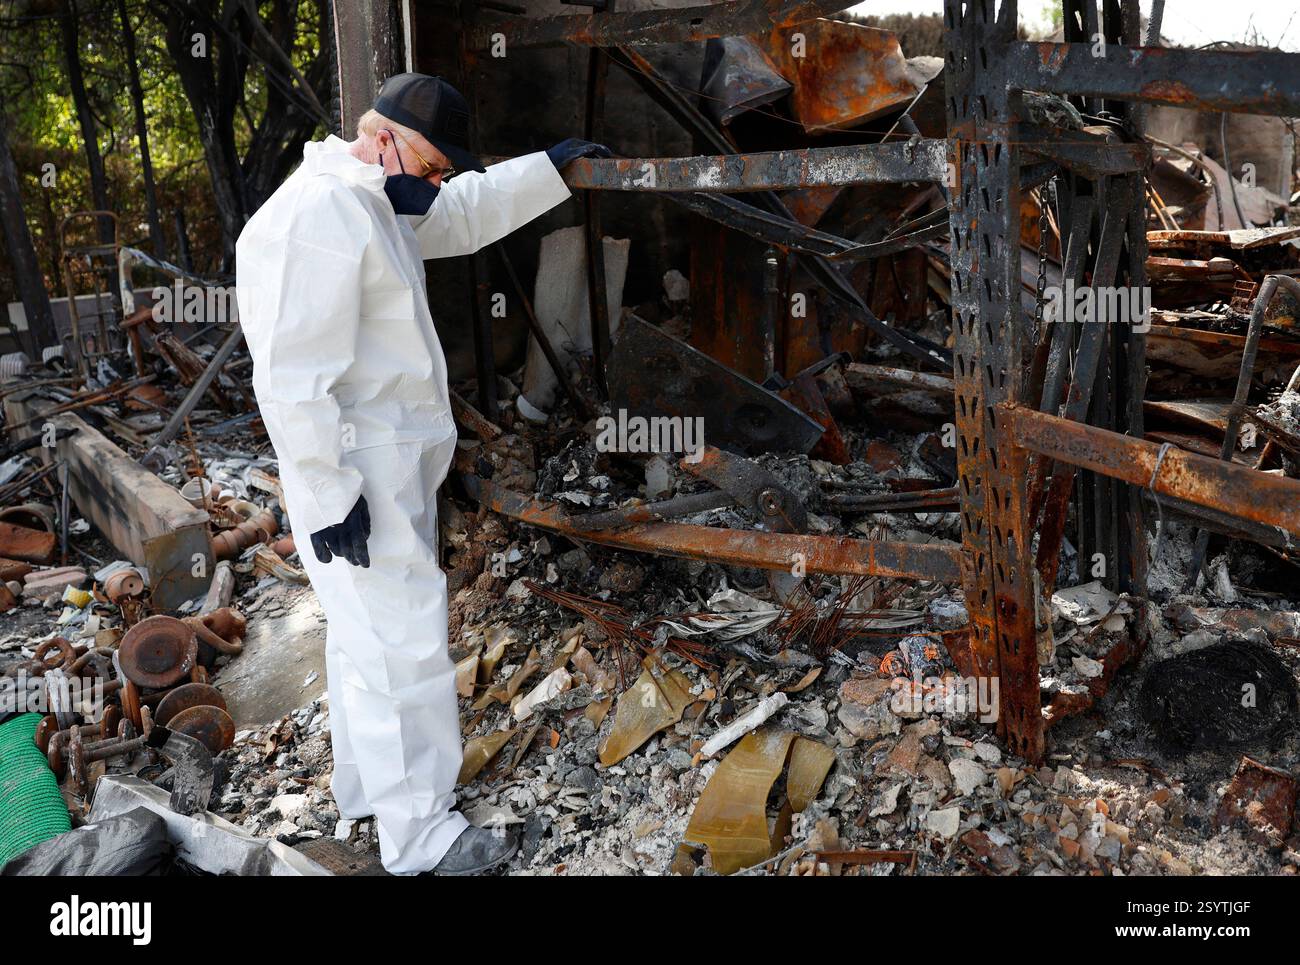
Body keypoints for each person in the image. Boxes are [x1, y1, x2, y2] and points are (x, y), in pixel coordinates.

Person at [235, 73, 610, 874]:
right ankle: (426, 838)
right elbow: (291, 376)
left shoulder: (375, 198)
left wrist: (545, 167)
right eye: (433, 166)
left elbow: (464, 214)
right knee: (404, 644)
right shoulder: (326, 215)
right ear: (384, 140)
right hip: (356, 468)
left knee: (363, 637)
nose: (436, 185)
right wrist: (335, 495)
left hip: (366, 463)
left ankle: (366, 790)